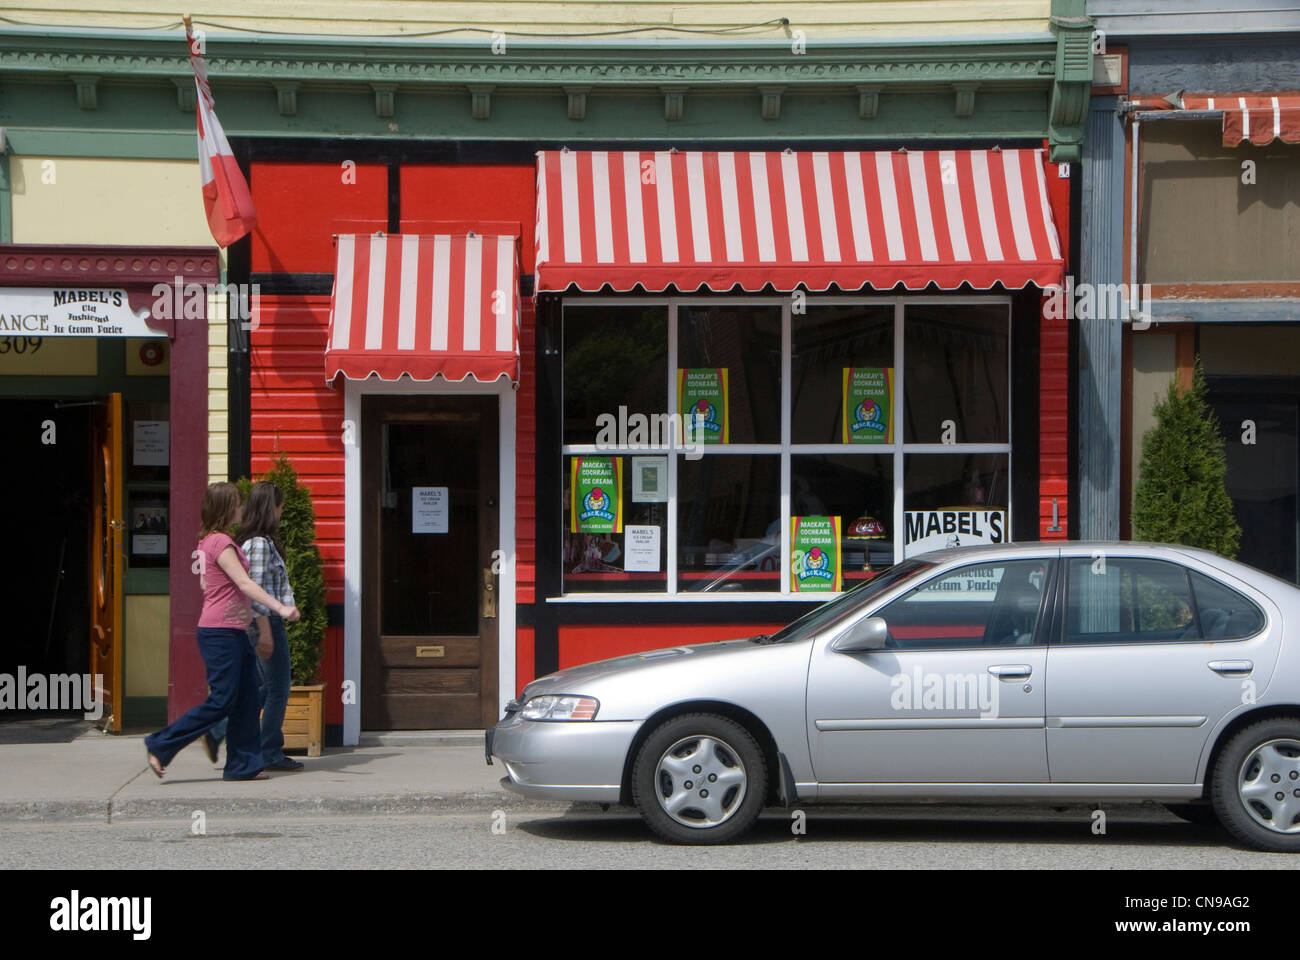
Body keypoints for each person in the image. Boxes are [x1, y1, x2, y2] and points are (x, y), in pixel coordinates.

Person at [144, 482, 299, 781]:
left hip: (233, 631)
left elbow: (207, 584)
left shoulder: (208, 543)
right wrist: (280, 609)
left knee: (247, 699)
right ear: (226, 508)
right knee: (223, 700)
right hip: (220, 633)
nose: (242, 508)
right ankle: (160, 744)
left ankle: (243, 766)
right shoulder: (221, 543)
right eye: (237, 503)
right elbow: (245, 584)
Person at [203, 481, 303, 771]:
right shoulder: (258, 544)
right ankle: (269, 752)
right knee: (277, 689)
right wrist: (268, 632)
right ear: (271, 508)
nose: (283, 511)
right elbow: (255, 590)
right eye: (280, 506)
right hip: (264, 622)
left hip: (262, 622)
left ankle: (219, 730)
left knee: (259, 688)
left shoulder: (257, 541)